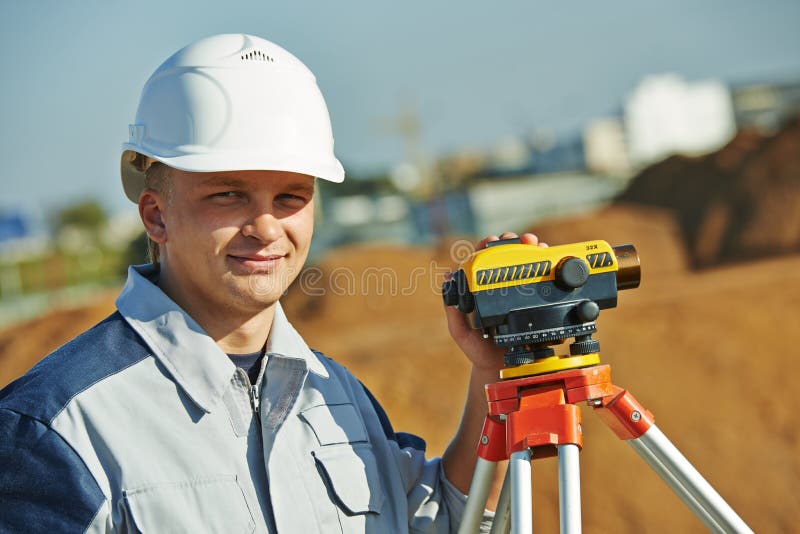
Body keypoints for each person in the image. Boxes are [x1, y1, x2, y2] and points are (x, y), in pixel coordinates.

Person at [0, 34, 544, 533]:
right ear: (155, 214)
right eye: (227, 195)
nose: (266, 228)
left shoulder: (338, 395)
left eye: (290, 197)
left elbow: (447, 523)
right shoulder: (56, 428)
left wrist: (492, 376)